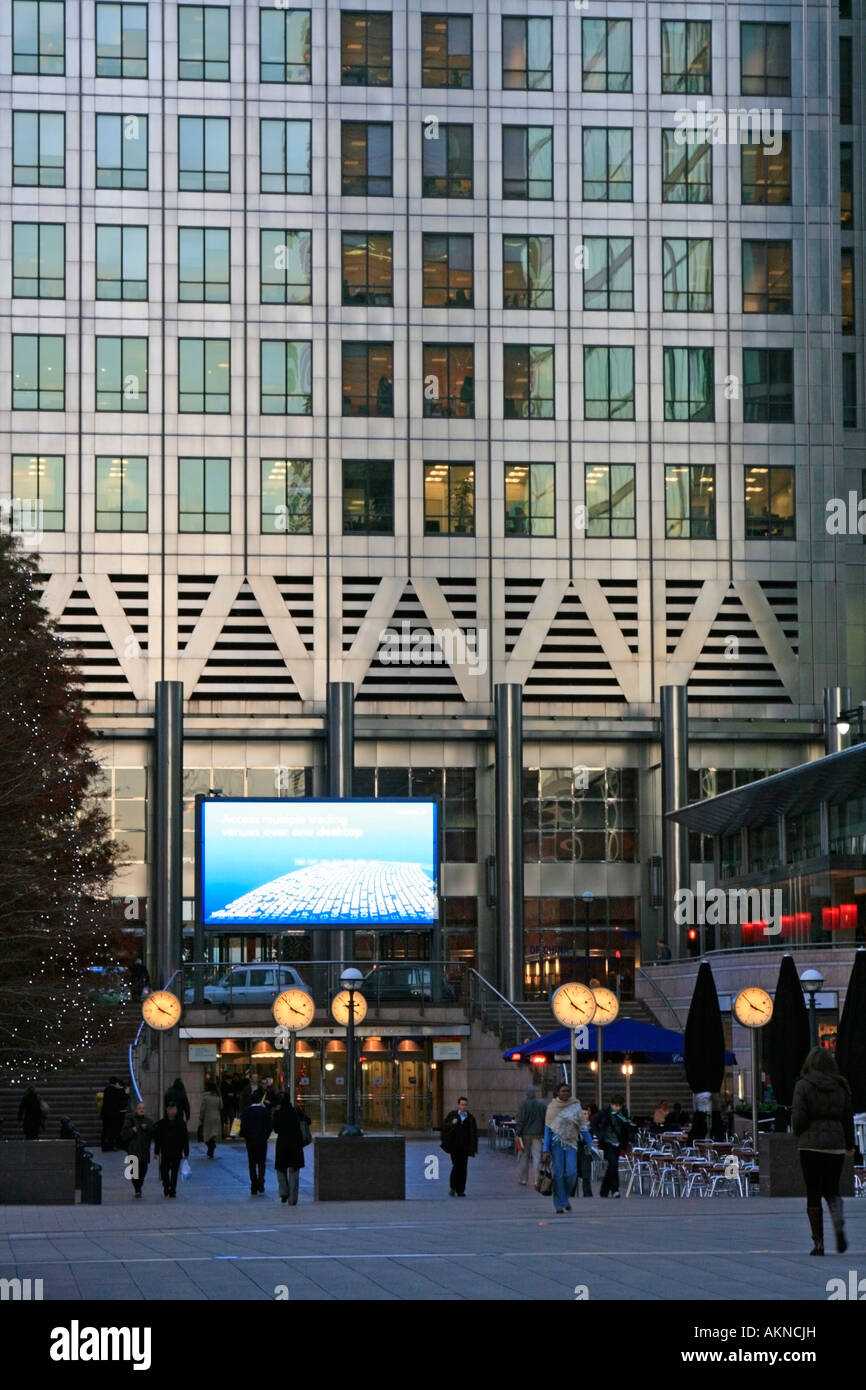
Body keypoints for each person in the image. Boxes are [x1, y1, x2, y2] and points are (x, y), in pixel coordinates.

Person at [791, 1046, 855, 1256]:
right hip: (835, 1143)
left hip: (810, 1144)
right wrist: (849, 1143)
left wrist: (799, 1131)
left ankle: (818, 1243)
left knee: (813, 1190)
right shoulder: (841, 1086)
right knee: (832, 1189)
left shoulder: (803, 1085)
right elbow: (847, 1118)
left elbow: (799, 1117)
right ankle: (838, 1224)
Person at [542, 1083, 593, 1214]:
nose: (565, 1093)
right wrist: (545, 1149)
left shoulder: (575, 1106)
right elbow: (548, 1129)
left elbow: (583, 1126)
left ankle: (564, 1197)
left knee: (572, 1172)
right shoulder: (552, 1108)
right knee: (558, 1174)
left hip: (571, 1143)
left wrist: (591, 1144)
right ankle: (559, 1203)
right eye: (563, 1091)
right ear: (557, 1093)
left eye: (568, 1091)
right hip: (556, 1144)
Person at [273, 1092, 310, 1205]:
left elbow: (276, 1129)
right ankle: (293, 1199)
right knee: (294, 1171)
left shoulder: (278, 1112)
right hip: (295, 1144)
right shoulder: (296, 1111)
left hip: (282, 1144)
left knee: (281, 1169)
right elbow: (308, 1121)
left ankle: (284, 1193)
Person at [441, 1097, 478, 1197]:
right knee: (456, 1166)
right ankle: (453, 1187)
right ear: (458, 1105)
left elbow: (474, 1133)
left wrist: (473, 1147)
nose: (463, 1107)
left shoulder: (470, 1118)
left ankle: (460, 1190)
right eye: (462, 1104)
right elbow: (444, 1127)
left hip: (465, 1148)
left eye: (465, 1105)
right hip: (454, 1147)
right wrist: (451, 1123)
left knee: (463, 1168)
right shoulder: (452, 1115)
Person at [595, 1094, 630, 1198]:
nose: (617, 1108)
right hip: (607, 1142)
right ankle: (615, 1190)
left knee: (612, 1166)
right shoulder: (605, 1112)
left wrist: (625, 1143)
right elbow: (595, 1123)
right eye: (615, 1106)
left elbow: (625, 1128)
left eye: (619, 1106)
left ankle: (604, 1190)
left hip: (618, 1143)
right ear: (611, 1104)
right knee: (613, 1164)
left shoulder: (623, 1113)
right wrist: (600, 1134)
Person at [153, 1100, 189, 1198]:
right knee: (163, 1170)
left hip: (177, 1151)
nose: (171, 1111)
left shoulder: (181, 1123)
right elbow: (158, 1139)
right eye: (169, 1109)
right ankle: (166, 1185)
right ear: (166, 1110)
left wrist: (186, 1152)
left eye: (173, 1109)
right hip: (165, 1151)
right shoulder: (162, 1123)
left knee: (174, 1172)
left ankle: (172, 1190)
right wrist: (156, 1152)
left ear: (176, 1110)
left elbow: (185, 1138)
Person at [120, 1101, 155, 1198]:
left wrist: (147, 1128)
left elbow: (154, 1133)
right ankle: (137, 1189)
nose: (142, 1110)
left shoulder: (148, 1121)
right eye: (140, 1108)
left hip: (144, 1150)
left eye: (143, 1108)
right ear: (136, 1110)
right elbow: (123, 1134)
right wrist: (132, 1130)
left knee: (143, 1169)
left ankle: (139, 1185)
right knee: (135, 1171)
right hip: (133, 1150)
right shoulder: (130, 1120)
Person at [240, 1094, 273, 1195]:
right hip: (262, 1140)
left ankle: (254, 1185)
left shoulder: (246, 1111)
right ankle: (261, 1181)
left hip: (250, 1141)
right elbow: (269, 1126)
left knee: (252, 1163)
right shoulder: (265, 1111)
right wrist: (265, 1136)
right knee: (262, 1163)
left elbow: (243, 1127)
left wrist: (246, 1136)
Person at [515, 1085, 546, 1187]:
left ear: (527, 1094)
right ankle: (537, 1180)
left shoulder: (523, 1105)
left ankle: (523, 1179)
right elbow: (545, 1120)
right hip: (538, 1134)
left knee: (524, 1156)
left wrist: (518, 1132)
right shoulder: (541, 1105)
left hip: (525, 1134)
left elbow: (520, 1121)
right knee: (537, 1156)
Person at [100, 1076, 129, 1151]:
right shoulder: (115, 1090)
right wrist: (124, 1090)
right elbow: (123, 1096)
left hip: (106, 1114)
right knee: (112, 1131)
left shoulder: (107, 1089)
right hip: (113, 1115)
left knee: (106, 1130)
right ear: (116, 1083)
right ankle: (110, 1145)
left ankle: (105, 1146)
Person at [198, 1081, 222, 1159]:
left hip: (208, 1117)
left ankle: (210, 1148)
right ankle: (211, 1150)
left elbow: (202, 1109)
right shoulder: (218, 1097)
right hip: (216, 1117)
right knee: (213, 1135)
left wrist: (201, 1118)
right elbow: (221, 1107)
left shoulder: (205, 1097)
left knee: (207, 1135)